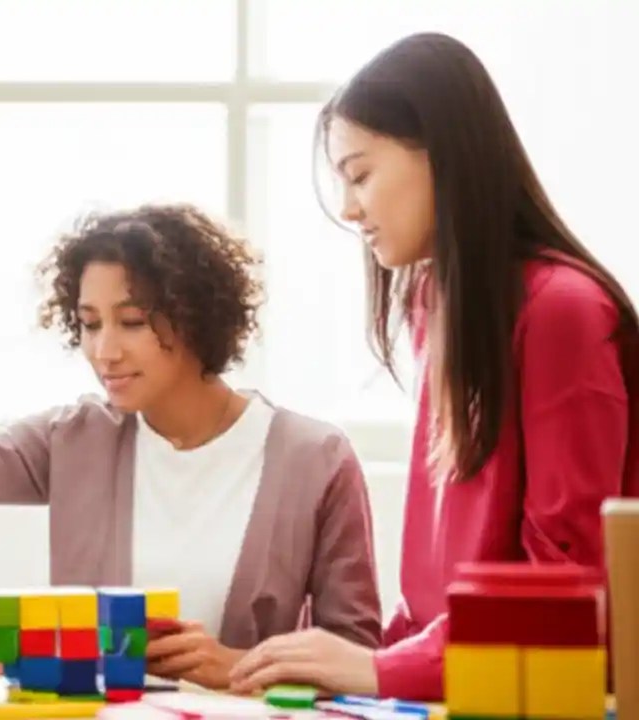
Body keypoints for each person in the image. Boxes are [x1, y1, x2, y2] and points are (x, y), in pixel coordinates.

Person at [0, 202, 382, 690]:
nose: (104, 351)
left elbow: (359, 660)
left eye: (132, 321)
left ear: (197, 316)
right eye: (90, 324)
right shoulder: (77, 441)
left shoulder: (314, 459)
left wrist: (238, 667)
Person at [227, 32, 639, 700]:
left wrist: (379, 669)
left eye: (360, 173)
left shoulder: (564, 311)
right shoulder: (437, 303)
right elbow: (434, 597)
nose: (347, 208)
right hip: (461, 683)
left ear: (442, 155)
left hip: (545, 692)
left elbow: (566, 594)